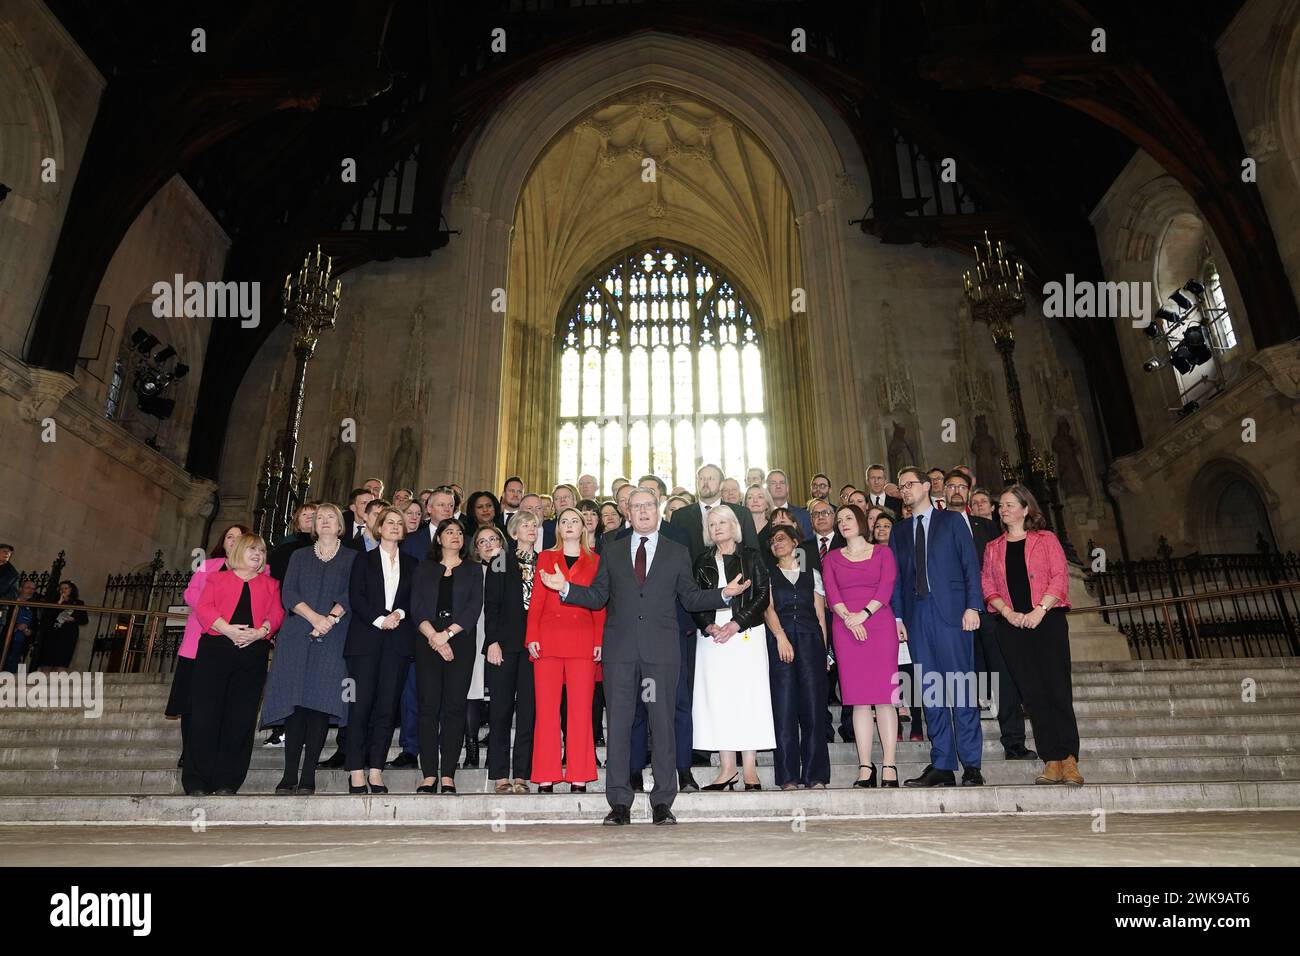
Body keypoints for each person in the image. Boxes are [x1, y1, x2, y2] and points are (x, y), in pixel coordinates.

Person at [537, 488, 748, 826]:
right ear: (628, 513)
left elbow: (692, 598)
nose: (644, 511)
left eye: (649, 505)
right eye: (637, 507)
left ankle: (663, 802)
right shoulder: (613, 549)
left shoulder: (677, 552)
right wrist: (565, 588)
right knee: (619, 724)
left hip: (661, 654)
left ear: (658, 510)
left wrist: (724, 593)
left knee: (662, 725)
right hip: (620, 653)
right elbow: (597, 596)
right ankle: (619, 802)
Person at [891, 466, 985, 788]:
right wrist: (898, 618)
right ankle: (942, 764)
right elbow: (897, 579)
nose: (904, 490)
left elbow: (970, 565)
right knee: (931, 692)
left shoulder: (952, 521)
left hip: (952, 614)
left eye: (909, 484)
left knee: (960, 687)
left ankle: (971, 764)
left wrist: (973, 606)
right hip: (917, 616)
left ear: (927, 487)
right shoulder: (900, 531)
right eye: (901, 486)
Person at [982, 485, 1082, 785]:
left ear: (1026, 509)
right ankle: (1051, 759)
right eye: (1002, 506)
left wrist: (1039, 610)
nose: (1004, 509)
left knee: (1057, 690)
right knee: (1033, 695)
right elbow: (988, 586)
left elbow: (1059, 576)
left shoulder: (1046, 539)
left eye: (1011, 504)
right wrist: (1009, 613)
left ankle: (1069, 759)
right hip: (1012, 628)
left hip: (1047, 622)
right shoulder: (993, 547)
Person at [260, 504, 356, 794]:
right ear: (313, 526)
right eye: (320, 518)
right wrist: (315, 618)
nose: (325, 522)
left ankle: (308, 775)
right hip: (297, 633)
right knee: (296, 704)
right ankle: (289, 775)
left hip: (335, 635)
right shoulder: (299, 556)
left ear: (340, 525)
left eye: (331, 518)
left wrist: (329, 619)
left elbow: (351, 593)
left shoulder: (353, 557)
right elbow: (289, 592)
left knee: (319, 705)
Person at [945, 471, 1035, 761]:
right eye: (951, 486)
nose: (957, 491)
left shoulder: (988, 527)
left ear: (970, 492)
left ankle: (1014, 742)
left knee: (1003, 677)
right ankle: (963, 750)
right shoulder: (934, 528)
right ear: (943, 491)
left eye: (962, 486)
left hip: (992, 612)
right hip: (953, 616)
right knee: (959, 679)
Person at [186, 534, 283, 795]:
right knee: (205, 716)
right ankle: (197, 780)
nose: (258, 554)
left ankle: (227, 782)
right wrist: (227, 629)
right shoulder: (216, 578)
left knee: (240, 719)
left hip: (253, 653)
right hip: (215, 650)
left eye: (261, 551)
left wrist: (260, 632)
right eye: (252, 549)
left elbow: (276, 614)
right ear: (238, 551)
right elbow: (204, 608)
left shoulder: (271, 584)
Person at [691, 506, 773, 790]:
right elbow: (694, 599)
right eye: (712, 524)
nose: (717, 527)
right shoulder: (701, 561)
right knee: (720, 700)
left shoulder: (750, 556)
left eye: (722, 522)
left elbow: (762, 596)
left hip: (745, 634)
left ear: (734, 525)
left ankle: (750, 770)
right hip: (713, 639)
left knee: (747, 698)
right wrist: (709, 626)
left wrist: (736, 623)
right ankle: (727, 769)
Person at [527, 508, 605, 792]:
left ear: (584, 528)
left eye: (575, 521)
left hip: (583, 640)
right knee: (546, 709)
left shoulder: (596, 561)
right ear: (557, 528)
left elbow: (600, 604)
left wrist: (599, 640)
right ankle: (546, 773)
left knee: (581, 710)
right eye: (564, 521)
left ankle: (579, 774)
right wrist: (531, 635)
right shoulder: (546, 557)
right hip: (547, 639)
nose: (569, 525)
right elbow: (536, 600)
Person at [822, 505, 900, 787]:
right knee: (858, 699)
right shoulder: (831, 558)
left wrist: (863, 615)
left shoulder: (883, 552)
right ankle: (865, 767)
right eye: (839, 519)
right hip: (845, 628)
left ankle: (889, 764)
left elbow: (886, 586)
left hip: (878, 624)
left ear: (860, 521)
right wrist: (848, 618)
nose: (843, 523)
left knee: (885, 698)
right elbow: (831, 592)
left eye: (848, 518)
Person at [344, 506, 417, 794]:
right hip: (365, 640)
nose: (395, 526)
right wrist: (379, 618)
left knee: (386, 709)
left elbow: (414, 599)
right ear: (379, 527)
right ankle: (356, 771)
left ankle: (376, 769)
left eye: (400, 523)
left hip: (397, 642)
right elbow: (356, 596)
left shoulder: (412, 563)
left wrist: (398, 614)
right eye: (390, 522)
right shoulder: (363, 560)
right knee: (360, 707)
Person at [410, 517, 485, 794]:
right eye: (448, 531)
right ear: (438, 538)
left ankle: (448, 775)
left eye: (459, 532)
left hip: (460, 641)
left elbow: (473, 607)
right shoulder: (424, 568)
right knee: (428, 707)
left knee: (455, 707)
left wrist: (448, 635)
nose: (455, 535)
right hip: (427, 640)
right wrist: (434, 636)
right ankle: (429, 774)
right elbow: (416, 605)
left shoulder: (473, 570)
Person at [169, 524, 252, 768]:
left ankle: (216, 751)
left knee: (224, 703)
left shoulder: (260, 570)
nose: (234, 541)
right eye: (229, 537)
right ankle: (189, 750)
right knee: (193, 702)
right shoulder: (208, 566)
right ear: (223, 542)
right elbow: (192, 595)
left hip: (236, 644)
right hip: (198, 643)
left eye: (240, 538)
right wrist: (219, 618)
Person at [766, 526, 830, 789]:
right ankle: (788, 776)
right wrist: (781, 637)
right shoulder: (768, 575)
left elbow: (821, 615)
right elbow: (767, 610)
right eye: (772, 541)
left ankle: (816, 775)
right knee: (784, 710)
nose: (776, 544)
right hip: (780, 642)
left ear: (795, 543)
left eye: (781, 539)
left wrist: (825, 652)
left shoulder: (812, 574)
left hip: (811, 642)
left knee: (814, 711)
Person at [480, 524, 534, 793]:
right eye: (525, 525)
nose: (532, 529)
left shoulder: (543, 561)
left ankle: (522, 774)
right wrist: (492, 641)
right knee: (500, 711)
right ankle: (501, 775)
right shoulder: (500, 561)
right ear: (513, 534)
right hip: (503, 644)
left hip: (533, 647)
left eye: (535, 525)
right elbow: (492, 605)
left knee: (528, 712)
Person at [669, 463, 759, 561]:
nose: (705, 482)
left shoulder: (741, 513)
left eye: (711, 479)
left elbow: (754, 553)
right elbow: (673, 554)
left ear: (721, 485)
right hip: (691, 575)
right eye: (701, 478)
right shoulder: (680, 516)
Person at [33, 581, 88, 672]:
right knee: (46, 663)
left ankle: (59, 685)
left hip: (67, 636)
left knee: (61, 663)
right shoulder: (53, 601)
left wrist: (73, 619)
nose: (63, 590)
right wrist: (59, 603)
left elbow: (84, 620)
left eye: (66, 588)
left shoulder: (78, 603)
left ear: (71, 590)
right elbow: (47, 618)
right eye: (61, 588)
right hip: (52, 635)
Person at [268, 503, 317, 581]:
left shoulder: (330, 548)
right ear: (297, 524)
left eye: (314, 514)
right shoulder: (284, 549)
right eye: (304, 514)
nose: (309, 516)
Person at [2, 579, 37, 673]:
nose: (30, 591)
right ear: (20, 589)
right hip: (6, 642)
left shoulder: (33, 607)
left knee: (12, 672)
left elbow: (35, 626)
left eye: (33, 589)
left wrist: (30, 631)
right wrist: (16, 626)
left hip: (20, 645)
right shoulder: (10, 602)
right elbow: (3, 620)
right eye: (28, 588)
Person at [766, 469, 812, 538]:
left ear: (787, 488)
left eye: (782, 483)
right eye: (773, 483)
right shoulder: (763, 516)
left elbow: (809, 545)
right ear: (767, 489)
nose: (778, 486)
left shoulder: (804, 515)